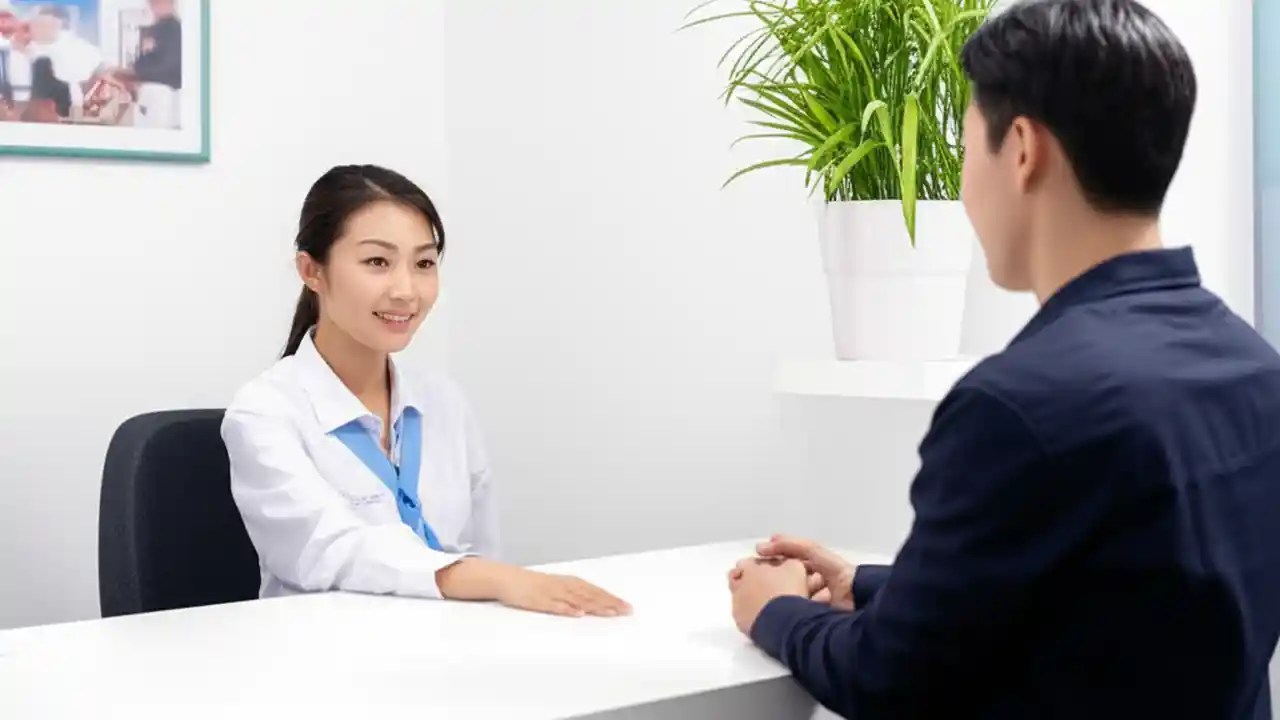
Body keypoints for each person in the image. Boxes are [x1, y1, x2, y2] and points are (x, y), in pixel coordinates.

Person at [727, 1, 1280, 718]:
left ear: (1022, 149)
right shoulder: (1255, 368)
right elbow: (1114, 602)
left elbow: (889, 681)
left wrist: (774, 611)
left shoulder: (1018, 405)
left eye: (964, 152)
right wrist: (866, 583)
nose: (962, 188)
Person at [223, 165, 632, 618]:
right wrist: (496, 579)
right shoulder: (264, 413)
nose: (406, 291)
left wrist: (499, 589)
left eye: (423, 264)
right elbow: (328, 549)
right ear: (312, 271)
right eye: (377, 262)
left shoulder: (444, 402)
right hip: (325, 648)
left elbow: (483, 550)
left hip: (451, 643)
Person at [130, 0, 180, 128]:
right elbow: (142, 60)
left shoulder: (176, 30)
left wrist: (140, 74)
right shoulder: (153, 30)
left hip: (165, 92)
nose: (152, 7)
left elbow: (170, 66)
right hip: (147, 93)